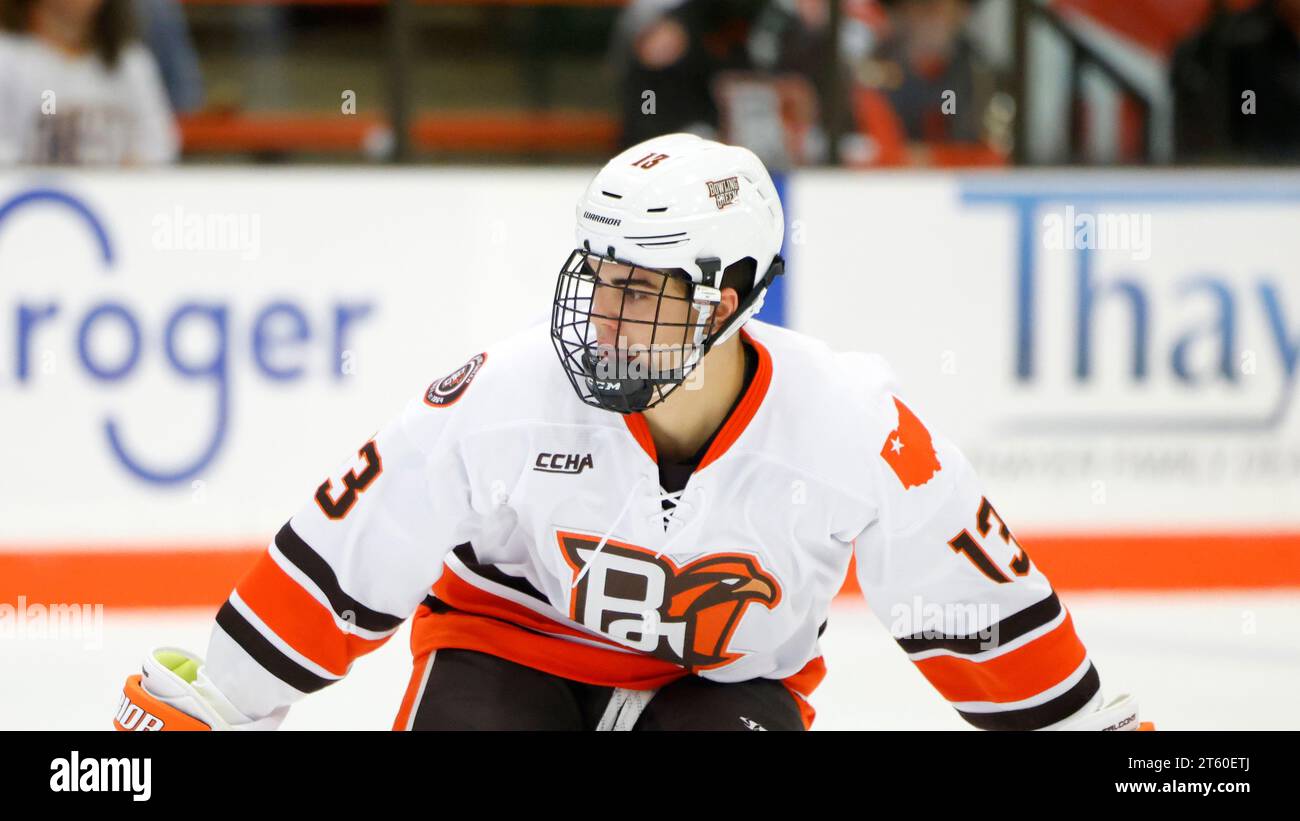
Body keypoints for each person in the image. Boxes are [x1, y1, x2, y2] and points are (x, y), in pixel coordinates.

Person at [113, 133, 1150, 731]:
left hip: (722, 691)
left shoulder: (851, 428)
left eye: (643, 288)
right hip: (503, 652)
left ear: (730, 298)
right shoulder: (506, 394)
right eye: (600, 276)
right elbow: (353, 549)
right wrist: (221, 703)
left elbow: (975, 610)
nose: (605, 314)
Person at [0, 0, 178, 165]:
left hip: (114, 186)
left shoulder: (131, 61)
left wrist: (135, 168)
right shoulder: (7, 56)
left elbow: (159, 143)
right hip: (35, 186)